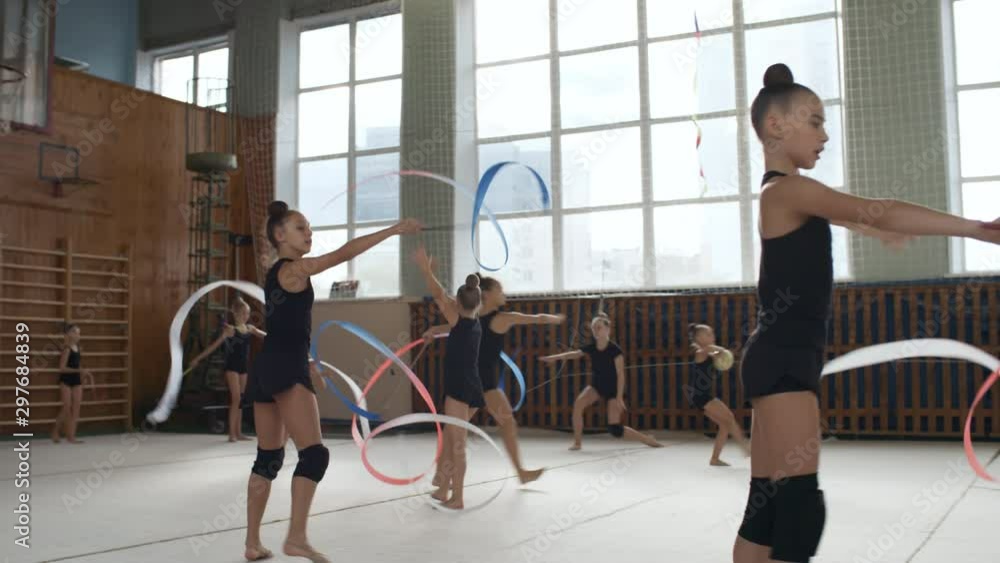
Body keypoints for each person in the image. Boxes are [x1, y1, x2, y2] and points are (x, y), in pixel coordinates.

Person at [733, 63, 1000, 563]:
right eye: (813, 121)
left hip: (775, 357)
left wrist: (880, 231)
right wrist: (975, 229)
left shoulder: (791, 197)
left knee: (767, 509)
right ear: (775, 127)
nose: (824, 133)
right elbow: (876, 207)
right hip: (786, 358)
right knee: (799, 507)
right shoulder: (786, 190)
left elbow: (863, 220)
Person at [242, 200, 420, 562]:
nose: (310, 233)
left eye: (309, 227)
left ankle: (252, 543)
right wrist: (393, 230)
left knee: (268, 458)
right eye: (301, 227)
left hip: (268, 365)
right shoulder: (294, 269)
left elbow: (285, 328)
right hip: (284, 366)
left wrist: (308, 362)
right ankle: (296, 538)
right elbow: (343, 253)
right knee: (314, 455)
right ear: (280, 235)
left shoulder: (277, 271)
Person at [422, 274, 562, 486]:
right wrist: (555, 319)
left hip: (479, 382)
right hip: (481, 384)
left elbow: (454, 326)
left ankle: (441, 477)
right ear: (486, 294)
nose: (504, 294)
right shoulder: (497, 318)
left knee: (464, 429)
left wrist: (434, 329)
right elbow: (535, 318)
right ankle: (442, 478)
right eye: (500, 290)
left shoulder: (475, 318)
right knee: (458, 430)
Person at [540, 313, 664, 451]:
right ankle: (577, 443)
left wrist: (618, 398)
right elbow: (573, 354)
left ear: (607, 329)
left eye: (598, 327)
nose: (595, 331)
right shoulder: (592, 347)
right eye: (594, 328)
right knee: (578, 405)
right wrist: (553, 358)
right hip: (597, 386)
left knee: (614, 429)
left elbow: (621, 375)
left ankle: (647, 439)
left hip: (613, 390)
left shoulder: (615, 350)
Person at [187, 298, 265, 442]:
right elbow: (214, 346)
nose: (245, 317)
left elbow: (266, 337)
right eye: (242, 313)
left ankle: (239, 432)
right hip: (231, 367)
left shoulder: (250, 328)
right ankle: (231, 434)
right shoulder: (230, 330)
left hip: (243, 368)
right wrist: (198, 358)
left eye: (247, 314)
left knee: (240, 400)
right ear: (234, 314)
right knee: (235, 399)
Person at [686, 323, 749, 466]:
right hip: (700, 396)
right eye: (708, 334)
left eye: (712, 334)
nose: (713, 336)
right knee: (730, 417)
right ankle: (745, 447)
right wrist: (723, 352)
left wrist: (722, 357)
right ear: (699, 337)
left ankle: (715, 458)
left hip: (702, 396)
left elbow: (720, 357)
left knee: (725, 425)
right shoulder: (699, 351)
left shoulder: (708, 352)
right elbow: (716, 351)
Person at [51, 324, 95, 444]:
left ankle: (71, 436)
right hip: (65, 380)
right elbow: (62, 368)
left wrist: (84, 375)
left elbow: (78, 365)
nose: (78, 335)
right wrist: (79, 371)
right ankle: (55, 431)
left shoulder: (78, 348)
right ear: (70, 334)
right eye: (76, 332)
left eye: (79, 333)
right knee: (66, 408)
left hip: (76, 380)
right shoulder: (66, 349)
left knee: (76, 409)